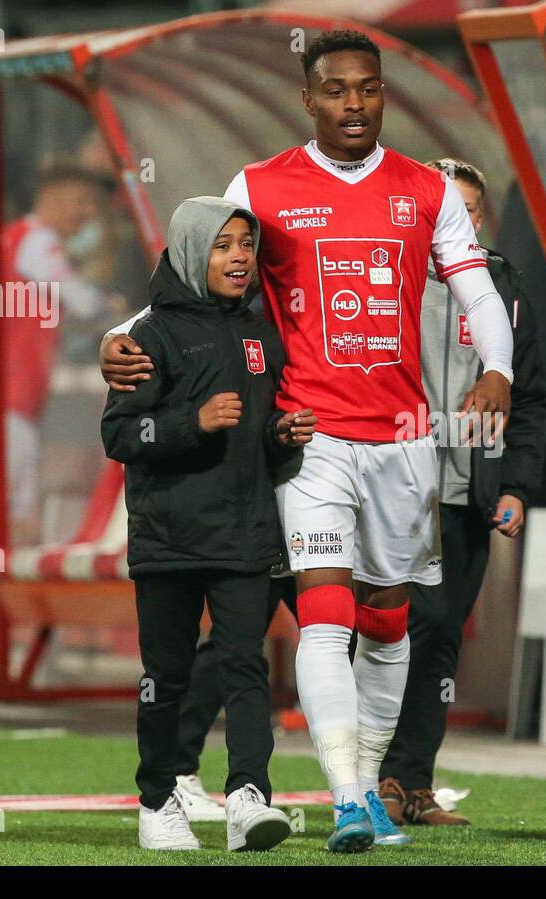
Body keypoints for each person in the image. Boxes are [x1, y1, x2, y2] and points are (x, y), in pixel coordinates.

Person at [99, 29, 514, 853]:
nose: (353, 103)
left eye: (367, 88)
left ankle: (362, 785)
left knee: (389, 618)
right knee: (326, 614)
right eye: (336, 90)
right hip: (307, 434)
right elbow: (196, 275)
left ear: (383, 94)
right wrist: (116, 333)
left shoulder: (425, 191)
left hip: (404, 438)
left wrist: (497, 368)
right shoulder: (261, 185)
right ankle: (350, 798)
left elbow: (478, 288)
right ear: (309, 99)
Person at [101, 196, 316, 851]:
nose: (240, 259)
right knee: (164, 676)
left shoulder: (259, 334)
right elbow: (119, 432)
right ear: (193, 249)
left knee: (245, 667)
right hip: (168, 537)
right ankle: (158, 802)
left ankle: (249, 799)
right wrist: (189, 424)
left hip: (245, 534)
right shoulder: (150, 333)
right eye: (224, 246)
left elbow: (261, 438)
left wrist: (282, 433)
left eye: (246, 246)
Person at [378, 158, 546, 826]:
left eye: (469, 209)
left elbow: (531, 398)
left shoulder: (503, 288)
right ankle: (378, 775)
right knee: (398, 626)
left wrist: (516, 484)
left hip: (469, 489)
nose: (456, 219)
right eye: (443, 206)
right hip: (391, 484)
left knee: (443, 630)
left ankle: (411, 784)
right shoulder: (379, 277)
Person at [0, 165, 118, 673]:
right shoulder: (36, 241)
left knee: (12, 520)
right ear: (52, 195)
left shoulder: (18, 242)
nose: (86, 217)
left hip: (2, 405)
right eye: (81, 203)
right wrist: (119, 311)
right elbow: (76, 298)